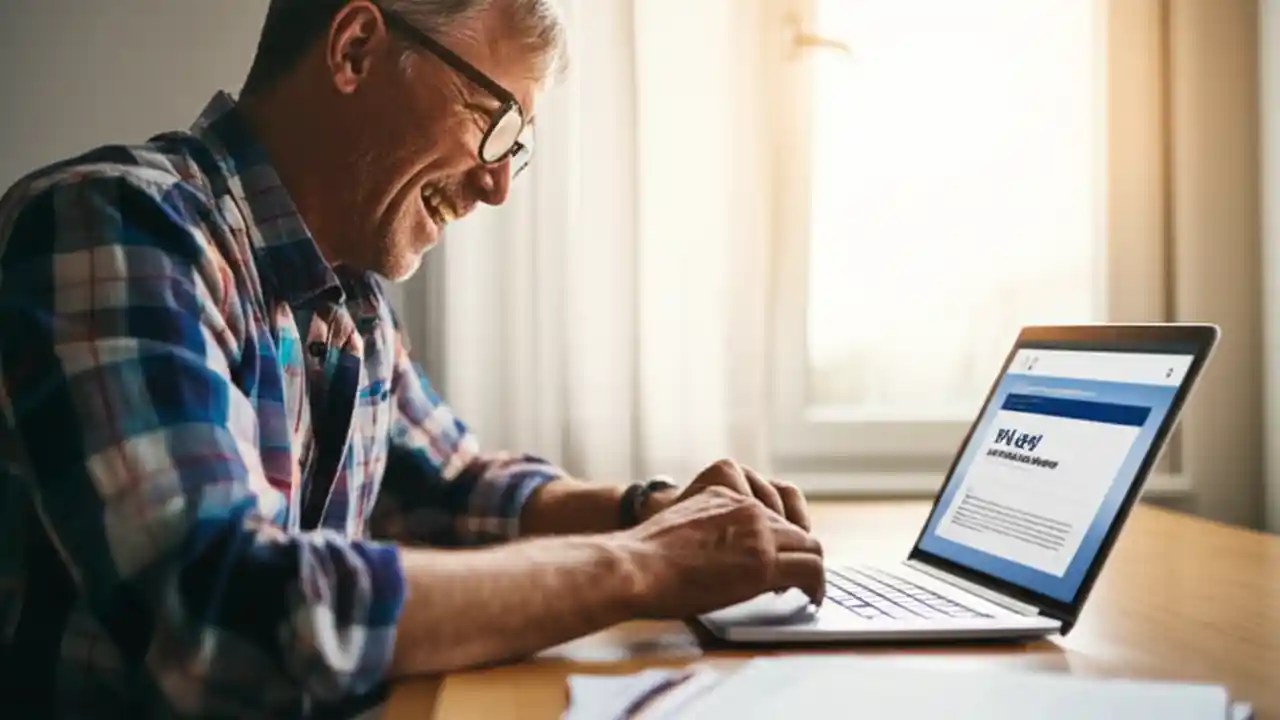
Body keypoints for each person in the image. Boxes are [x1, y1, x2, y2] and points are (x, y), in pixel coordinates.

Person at [0, 0, 824, 716]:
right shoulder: (115, 227)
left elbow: (452, 486)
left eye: (520, 148)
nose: (500, 185)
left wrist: (652, 510)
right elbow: (222, 616)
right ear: (355, 49)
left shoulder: (347, 297)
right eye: (495, 120)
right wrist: (645, 565)